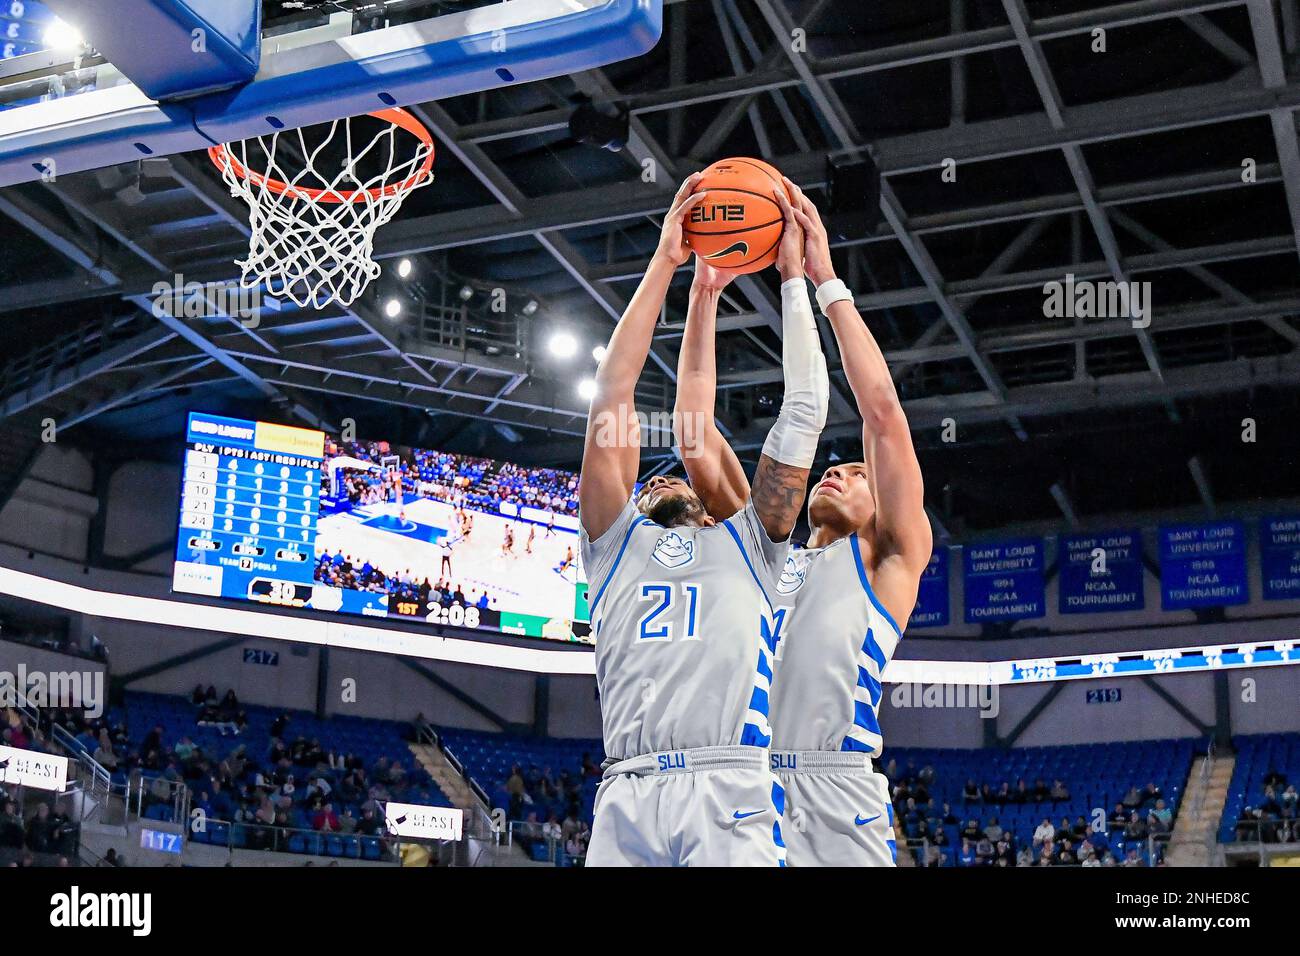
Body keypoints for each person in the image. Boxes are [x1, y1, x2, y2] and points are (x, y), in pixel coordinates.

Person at [673, 179, 929, 867]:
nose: (837, 473)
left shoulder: (888, 558)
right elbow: (696, 439)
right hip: (742, 783)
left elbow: (882, 413)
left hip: (834, 786)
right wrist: (703, 293)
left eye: (856, 474)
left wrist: (823, 282)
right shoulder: (761, 546)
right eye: (831, 469)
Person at [578, 172, 824, 867]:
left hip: (728, 787)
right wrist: (672, 268)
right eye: (653, 479)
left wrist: (791, 282)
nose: (666, 477)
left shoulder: (753, 542)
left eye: (677, 478)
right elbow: (612, 392)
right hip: (624, 792)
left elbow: (797, 415)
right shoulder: (611, 544)